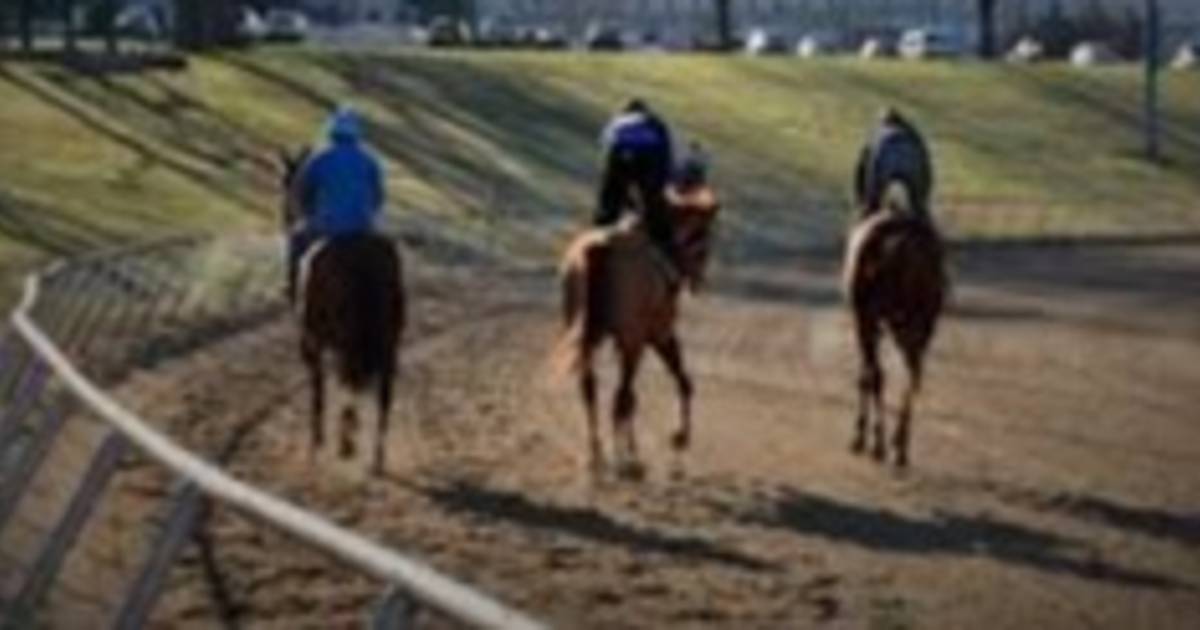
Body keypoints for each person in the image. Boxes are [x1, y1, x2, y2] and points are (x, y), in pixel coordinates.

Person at [287, 106, 386, 302]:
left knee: (296, 241)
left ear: (331, 131)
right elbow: (377, 197)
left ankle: (293, 289)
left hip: (325, 226)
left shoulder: (319, 159)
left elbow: (302, 192)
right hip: (361, 227)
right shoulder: (369, 160)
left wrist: (307, 215)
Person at [595, 98, 679, 269]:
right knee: (654, 204)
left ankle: (600, 229)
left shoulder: (617, 121)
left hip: (617, 154)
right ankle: (667, 250)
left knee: (609, 203)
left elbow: (605, 152)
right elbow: (666, 160)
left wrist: (617, 199)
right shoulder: (655, 122)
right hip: (650, 156)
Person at [854, 107, 933, 217]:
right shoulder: (914, 135)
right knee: (919, 210)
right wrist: (922, 201)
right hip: (913, 165)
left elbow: (862, 170)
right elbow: (926, 169)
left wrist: (863, 202)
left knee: (871, 207)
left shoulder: (877, 134)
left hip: (883, 162)